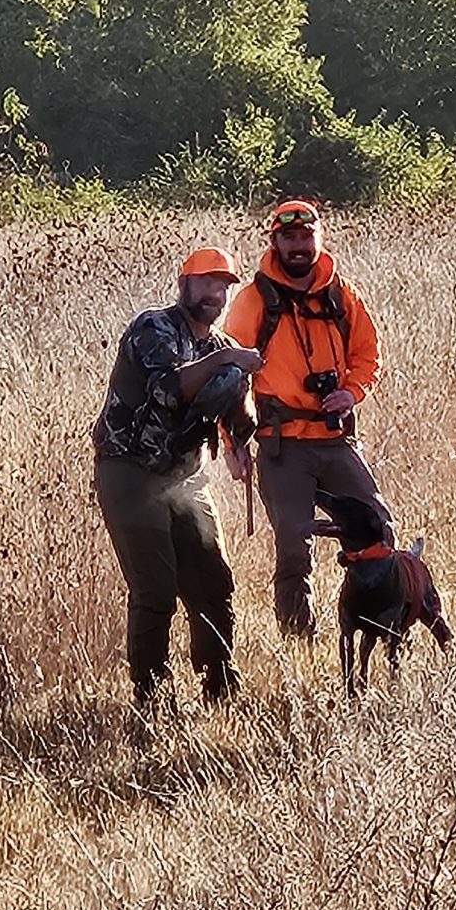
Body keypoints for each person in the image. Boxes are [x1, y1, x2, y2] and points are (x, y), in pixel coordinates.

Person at [92, 247, 264, 707]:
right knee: (157, 588)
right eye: (206, 283)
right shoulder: (153, 328)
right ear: (183, 284)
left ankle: (219, 683)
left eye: (223, 286)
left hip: (186, 477)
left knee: (214, 582)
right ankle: (151, 695)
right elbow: (170, 389)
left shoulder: (221, 347)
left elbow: (240, 419)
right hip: (130, 471)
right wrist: (228, 363)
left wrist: (241, 406)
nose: (215, 294)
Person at [220, 197, 387, 638]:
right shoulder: (254, 300)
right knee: (295, 545)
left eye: (306, 236)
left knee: (378, 527)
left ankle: (374, 618)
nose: (298, 246)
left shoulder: (342, 294)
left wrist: (350, 393)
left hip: (335, 439)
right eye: (289, 237)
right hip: (282, 445)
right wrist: (233, 444)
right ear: (274, 242)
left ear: (319, 238)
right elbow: (228, 375)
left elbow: (367, 354)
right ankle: (299, 639)